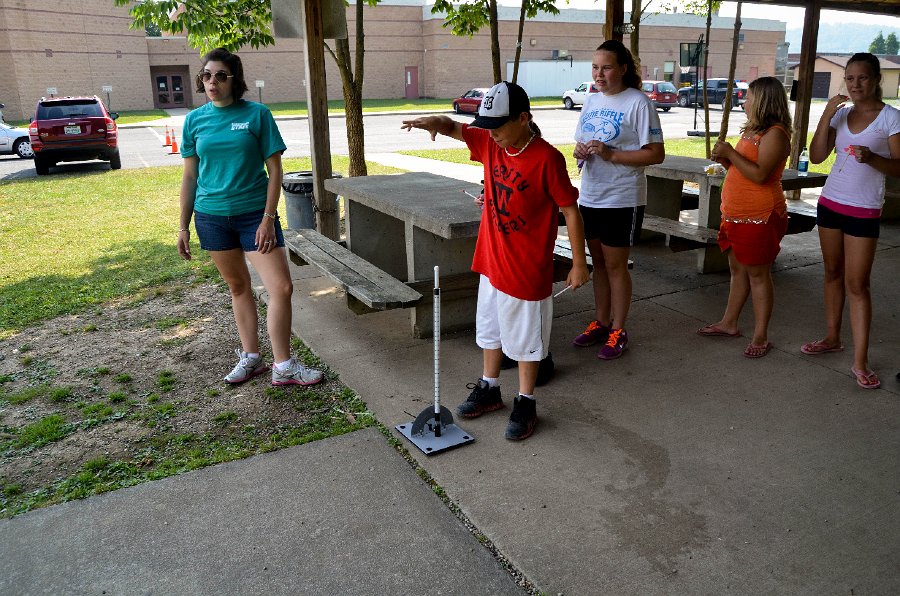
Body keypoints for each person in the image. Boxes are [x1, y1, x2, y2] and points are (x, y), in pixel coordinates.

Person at [401, 81, 589, 440]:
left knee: (525, 340)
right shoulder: (490, 141)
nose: (493, 135)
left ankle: (525, 400)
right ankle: (489, 388)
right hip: (491, 259)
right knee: (489, 330)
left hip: (526, 266)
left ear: (524, 118)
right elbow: (457, 128)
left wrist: (578, 263)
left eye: (499, 127)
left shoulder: (547, 158)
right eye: (488, 127)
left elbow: (570, 209)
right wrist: (435, 122)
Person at [177, 47, 323, 387]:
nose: (212, 81)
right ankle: (252, 358)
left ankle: (283, 365)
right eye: (207, 75)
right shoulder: (194, 121)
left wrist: (268, 218)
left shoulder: (257, 115)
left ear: (234, 80)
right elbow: (189, 177)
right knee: (238, 287)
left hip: (253, 217)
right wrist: (183, 225)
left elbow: (275, 171)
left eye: (221, 76)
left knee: (281, 287)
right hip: (211, 217)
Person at [800, 53, 900, 390]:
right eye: (850, 78)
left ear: (876, 80)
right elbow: (815, 156)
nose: (855, 84)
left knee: (857, 285)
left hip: (864, 209)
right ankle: (831, 337)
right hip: (830, 203)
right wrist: (828, 113)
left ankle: (861, 361)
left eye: (863, 78)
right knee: (831, 274)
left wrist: (873, 158)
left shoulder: (891, 119)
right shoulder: (840, 115)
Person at [571, 40, 665, 360]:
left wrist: (611, 154)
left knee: (615, 266)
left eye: (606, 67)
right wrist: (581, 153)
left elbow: (656, 153)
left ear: (622, 69)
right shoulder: (591, 100)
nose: (599, 74)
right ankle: (600, 321)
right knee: (598, 264)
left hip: (622, 199)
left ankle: (618, 329)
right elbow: (580, 147)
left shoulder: (638, 102)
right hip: (591, 195)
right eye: (595, 67)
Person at [699, 77, 792, 359]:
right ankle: (729, 323)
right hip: (735, 212)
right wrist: (726, 160)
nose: (745, 100)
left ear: (763, 100)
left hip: (760, 214)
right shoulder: (752, 130)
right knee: (737, 270)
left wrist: (729, 152)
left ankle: (761, 334)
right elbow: (744, 168)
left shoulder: (776, 134)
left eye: (749, 96)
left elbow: (761, 174)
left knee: (758, 275)